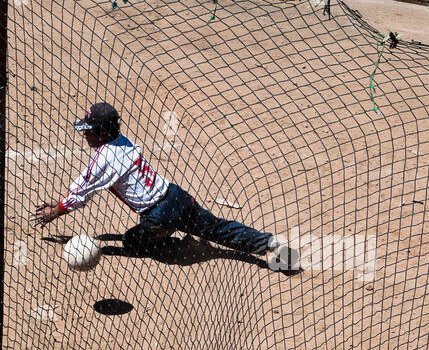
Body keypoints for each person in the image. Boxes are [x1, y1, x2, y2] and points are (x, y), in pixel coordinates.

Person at [34, 102, 301, 272]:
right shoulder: (122, 140)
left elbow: (80, 194)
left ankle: (179, 247)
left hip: (159, 216)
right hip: (176, 195)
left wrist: (54, 211)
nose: (85, 134)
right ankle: (270, 243)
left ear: (102, 133)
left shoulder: (103, 160)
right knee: (218, 228)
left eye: (89, 130)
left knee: (131, 241)